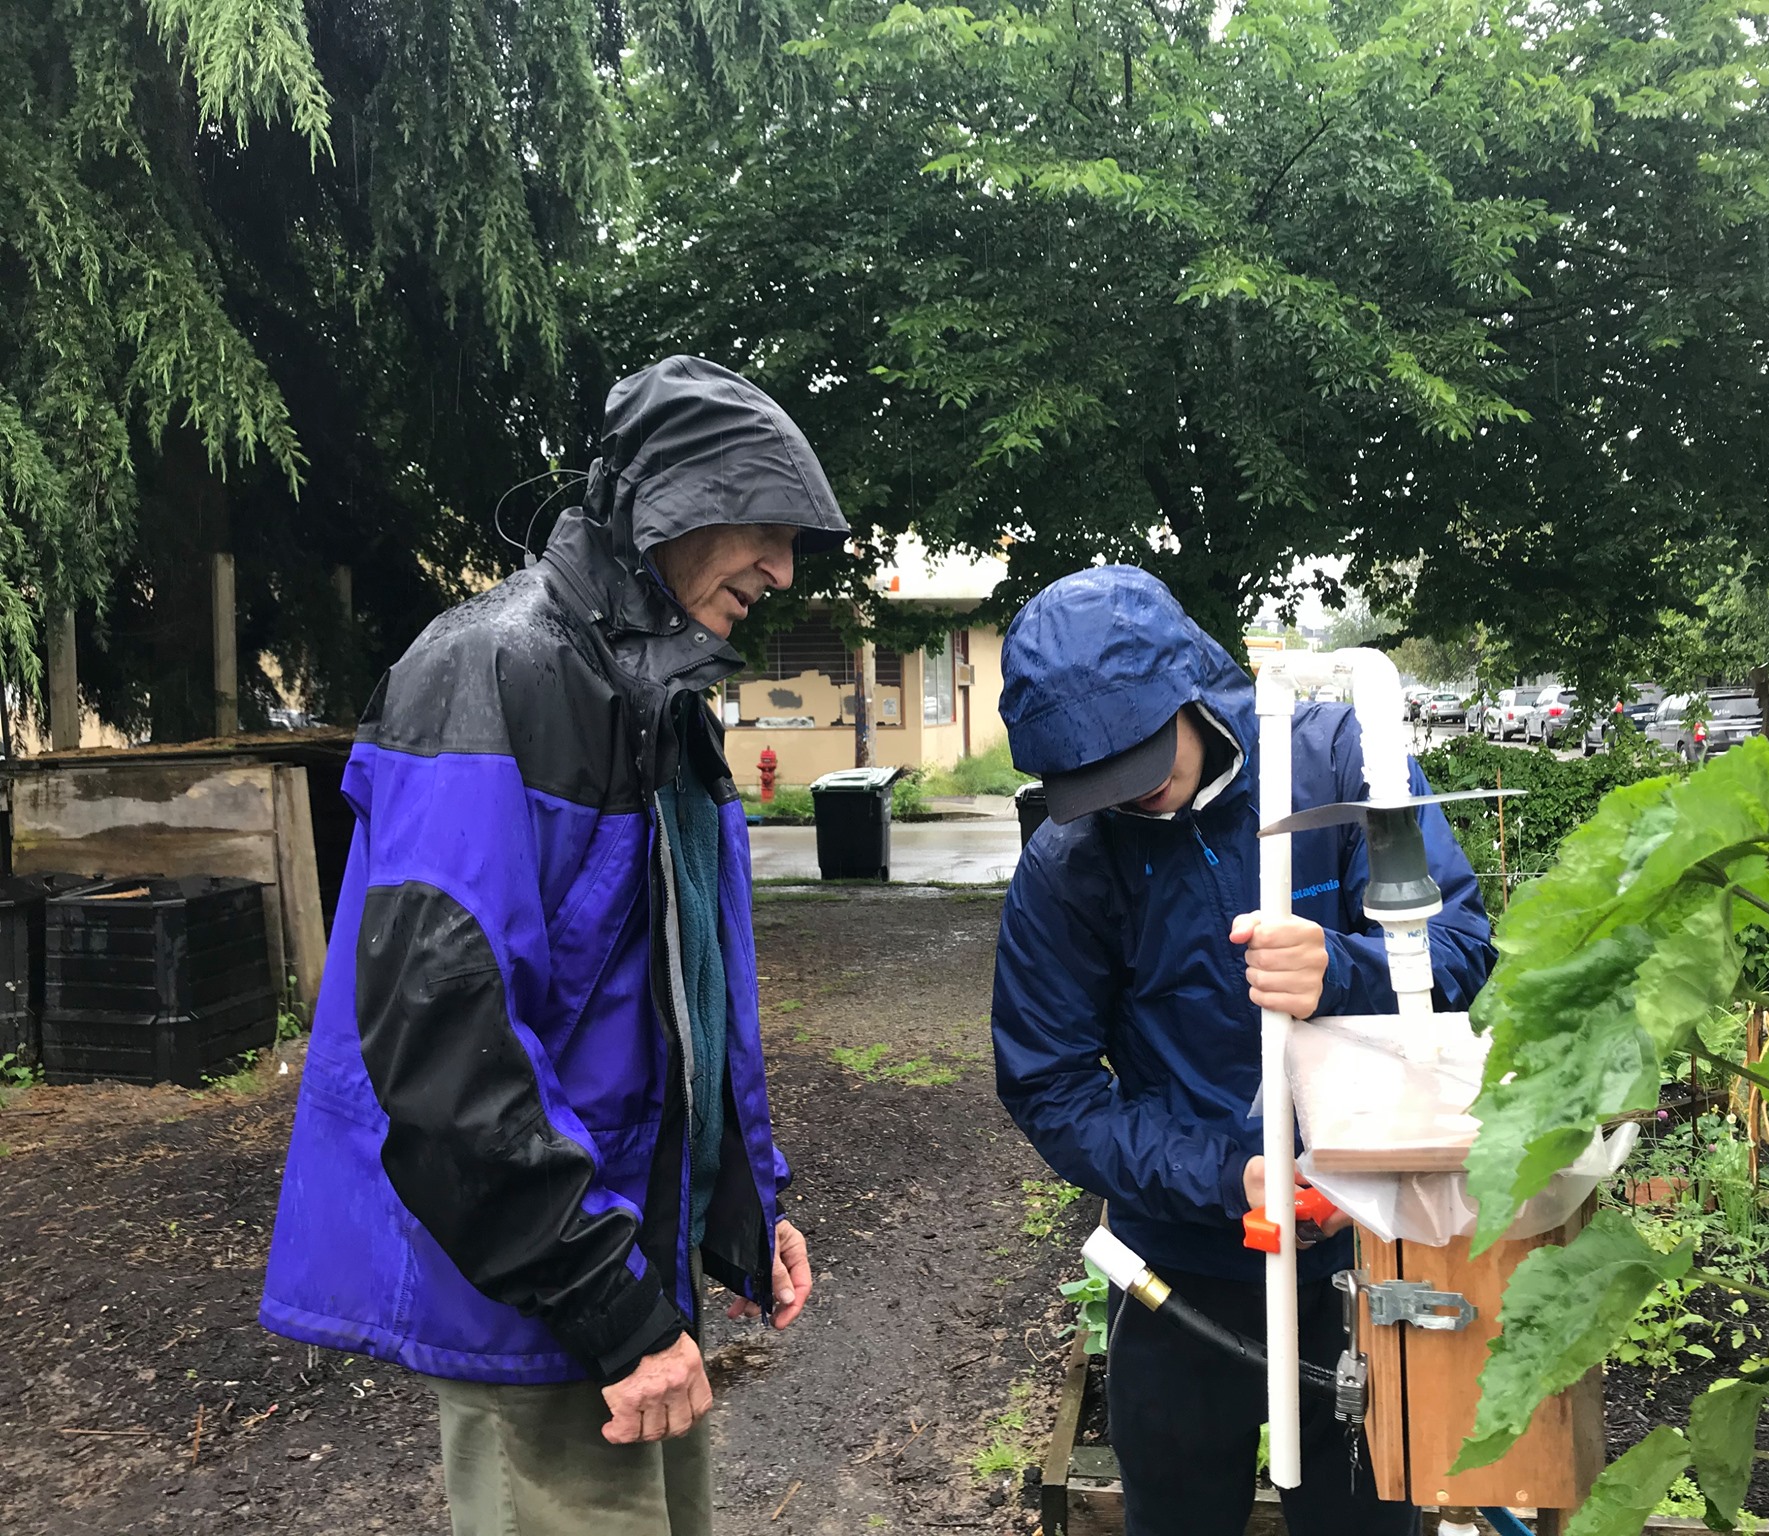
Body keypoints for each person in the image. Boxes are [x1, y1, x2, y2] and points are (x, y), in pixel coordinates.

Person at [260, 356, 846, 1535]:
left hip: (626, 1275)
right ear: (671, 506)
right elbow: (442, 1046)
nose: (782, 570)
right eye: (765, 529)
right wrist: (608, 1308)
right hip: (547, 1309)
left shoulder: (659, 699)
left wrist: (736, 1199)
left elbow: (676, 999)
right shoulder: (489, 672)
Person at [990, 566, 1494, 1536]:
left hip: (1361, 1245)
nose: (1130, 800)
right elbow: (1049, 1088)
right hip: (1179, 1270)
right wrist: (1229, 1176)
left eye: (1141, 764)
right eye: (1096, 786)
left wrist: (1343, 968)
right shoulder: (1069, 867)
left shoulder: (1339, 767)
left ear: (1186, 688)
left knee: (1363, 1519)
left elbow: (1460, 951)